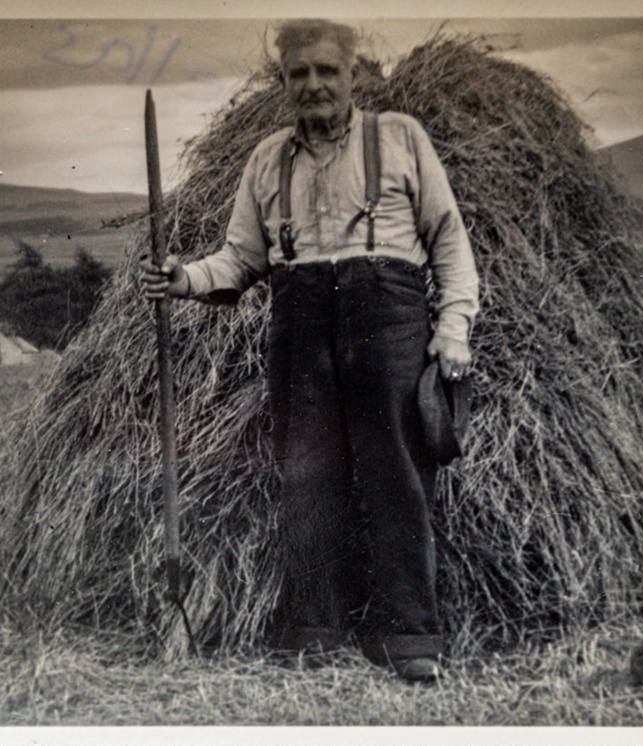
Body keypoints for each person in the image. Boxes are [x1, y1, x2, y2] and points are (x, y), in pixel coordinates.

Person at [141, 19, 479, 683]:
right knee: (308, 481)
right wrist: (183, 279)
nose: (314, 84)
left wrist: (454, 327)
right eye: (300, 74)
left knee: (397, 482)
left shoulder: (401, 137)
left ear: (353, 75)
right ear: (284, 83)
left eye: (327, 70)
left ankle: (408, 637)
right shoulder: (268, 159)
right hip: (300, 328)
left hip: (389, 321)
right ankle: (314, 632)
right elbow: (239, 259)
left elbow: (449, 240)